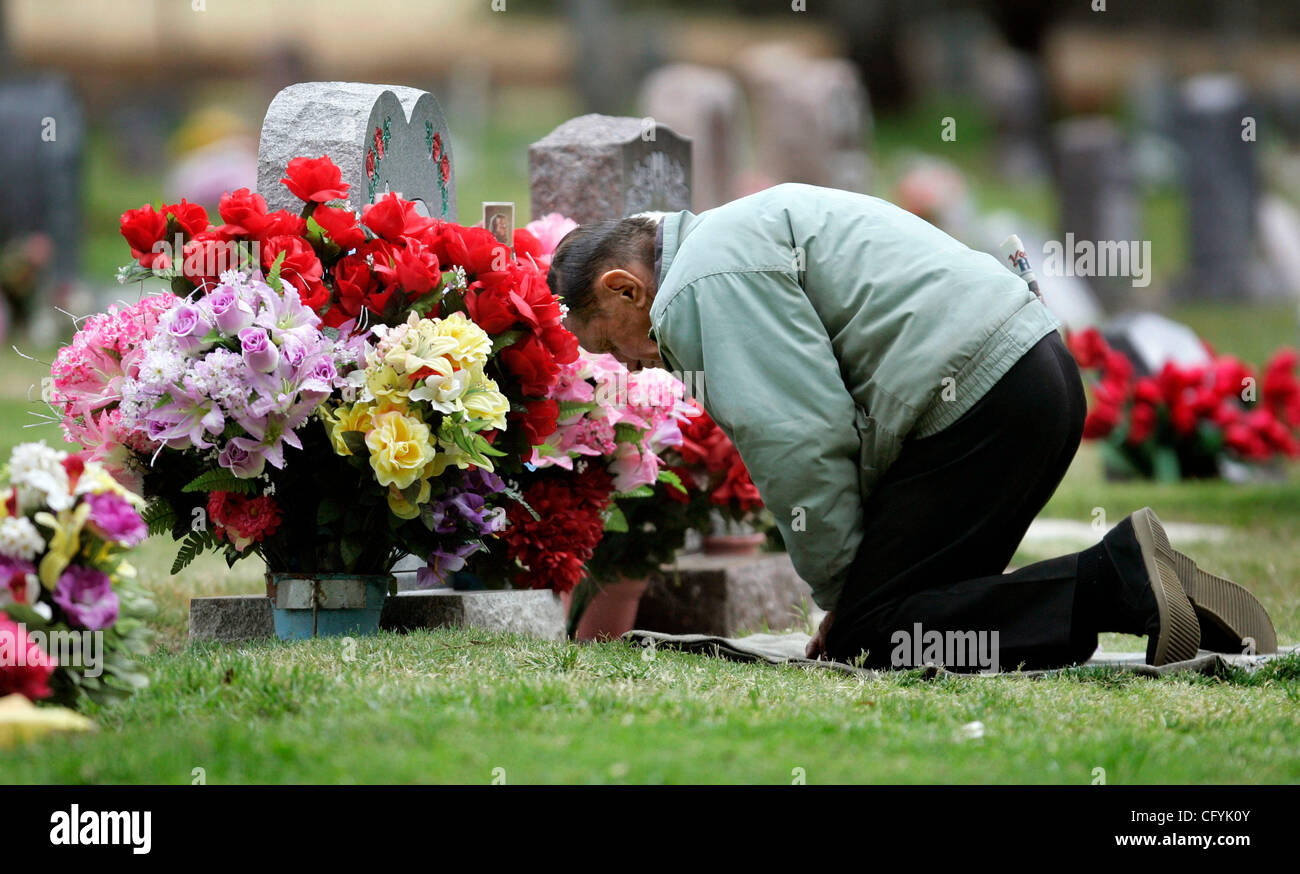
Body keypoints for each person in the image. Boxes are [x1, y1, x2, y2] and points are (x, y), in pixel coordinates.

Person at [547, 183, 1276, 670]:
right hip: (1032, 376)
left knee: (874, 636)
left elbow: (801, 440)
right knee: (927, 619)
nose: (635, 361)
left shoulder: (701, 283)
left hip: (981, 400)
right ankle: (1145, 583)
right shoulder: (729, 238)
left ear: (625, 288)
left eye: (613, 341)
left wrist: (842, 598)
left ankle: (1121, 580)